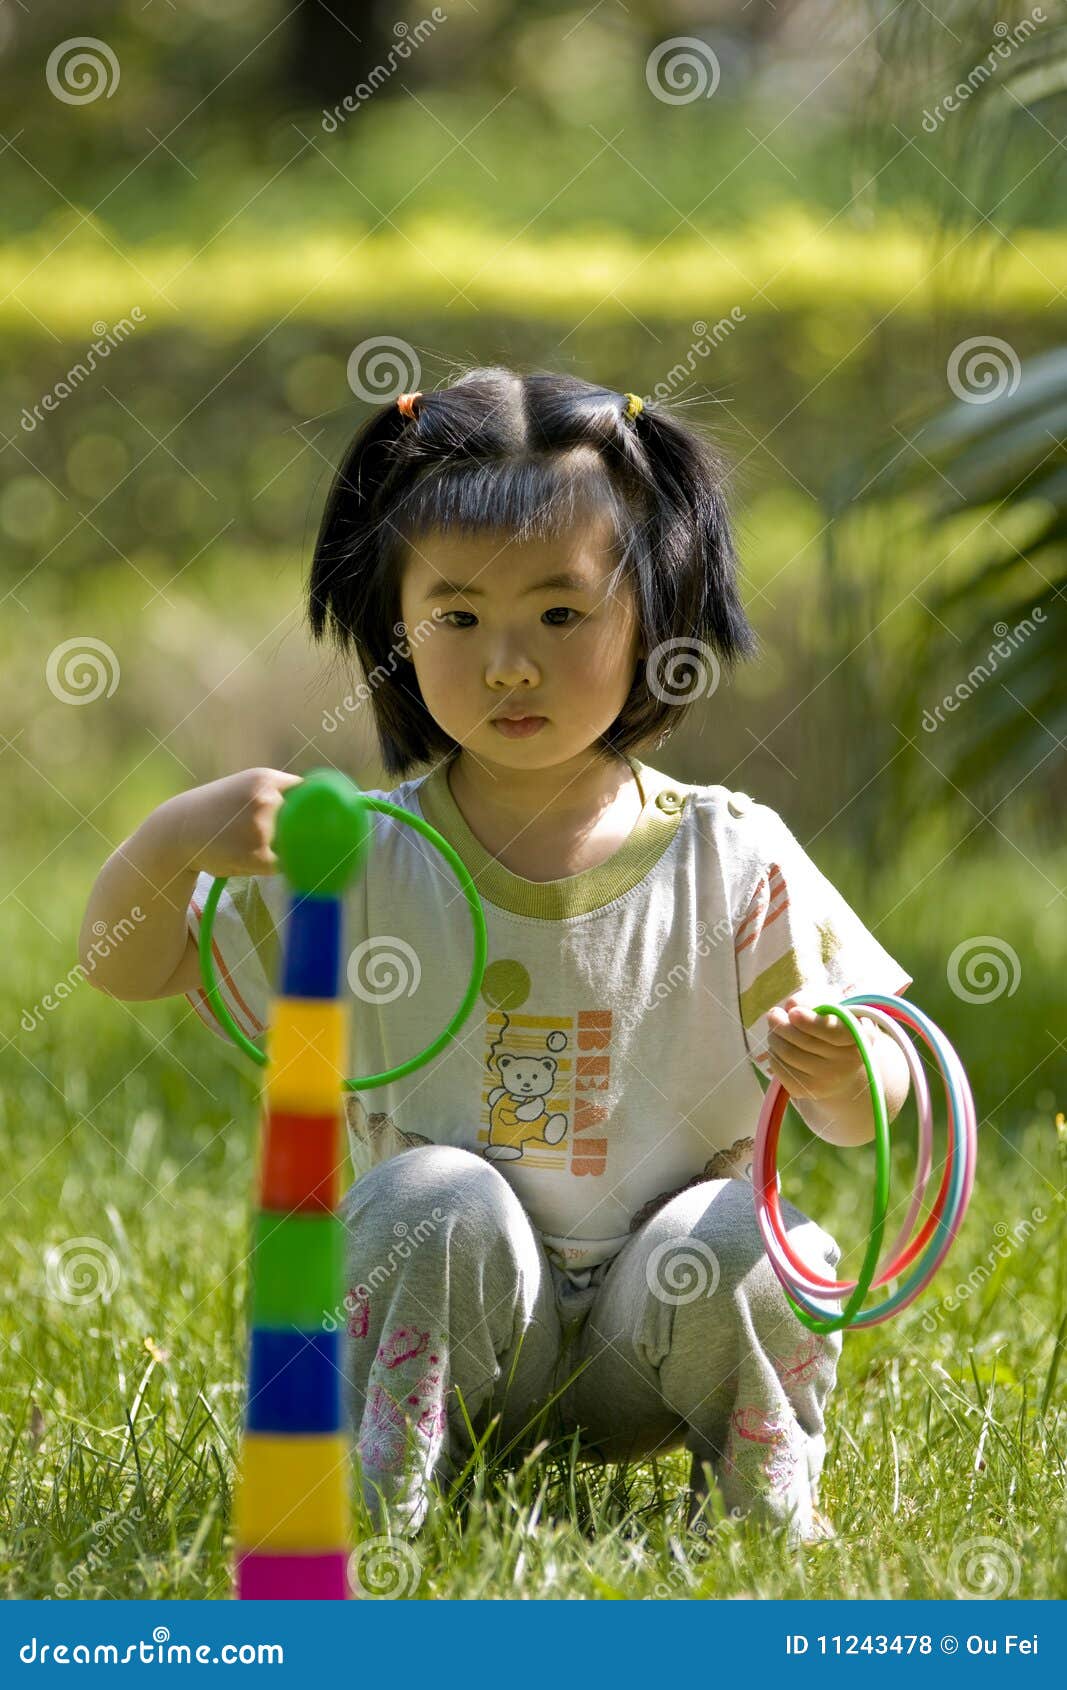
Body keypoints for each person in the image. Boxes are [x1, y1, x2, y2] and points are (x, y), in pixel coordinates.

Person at [80, 366, 913, 1549]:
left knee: (744, 1236)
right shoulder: (364, 858)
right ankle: (379, 1508)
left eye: (560, 615)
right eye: (458, 618)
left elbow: (875, 1092)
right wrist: (172, 839)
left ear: (654, 616)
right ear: (394, 629)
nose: (508, 662)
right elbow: (128, 963)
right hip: (454, 1333)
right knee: (433, 1197)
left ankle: (760, 1521)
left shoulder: (730, 854)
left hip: (652, 1331)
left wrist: (842, 1076)